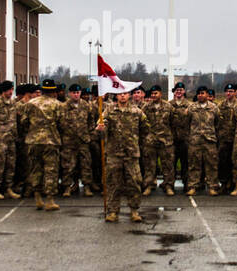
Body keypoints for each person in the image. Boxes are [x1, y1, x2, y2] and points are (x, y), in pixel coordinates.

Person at [95, 87, 148, 222]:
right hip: (114, 153)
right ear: (116, 96)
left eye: (125, 94)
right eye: (120, 94)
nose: (122, 96)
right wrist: (101, 127)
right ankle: (113, 211)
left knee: (135, 183)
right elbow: (102, 125)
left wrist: (137, 143)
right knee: (113, 183)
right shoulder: (109, 110)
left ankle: (134, 210)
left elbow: (145, 128)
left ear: (129, 95)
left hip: (131, 154)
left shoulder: (137, 112)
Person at [22, 80, 63, 210]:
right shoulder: (57, 105)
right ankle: (50, 200)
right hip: (50, 141)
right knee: (50, 170)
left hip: (33, 140)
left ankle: (38, 198)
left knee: (35, 169)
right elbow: (62, 123)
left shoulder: (30, 104)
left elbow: (23, 122)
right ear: (53, 91)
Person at [0, 82, 22, 199]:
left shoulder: (13, 103)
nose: (11, 92)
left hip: (11, 137)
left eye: (12, 89)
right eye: (8, 90)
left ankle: (8, 188)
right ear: (3, 91)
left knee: (10, 164)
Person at [59, 83, 94, 197]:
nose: (76, 95)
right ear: (69, 94)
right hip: (69, 141)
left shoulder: (86, 106)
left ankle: (87, 186)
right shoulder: (64, 107)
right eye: (74, 93)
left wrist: (89, 134)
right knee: (68, 165)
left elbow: (91, 122)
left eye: (78, 93)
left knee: (86, 164)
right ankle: (67, 187)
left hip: (83, 140)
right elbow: (60, 123)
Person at [185, 85, 220, 195]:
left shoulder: (214, 108)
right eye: (199, 93)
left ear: (207, 95)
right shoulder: (192, 108)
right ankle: (193, 186)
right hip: (195, 141)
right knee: (194, 164)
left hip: (209, 141)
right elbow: (187, 123)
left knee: (211, 165)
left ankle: (212, 186)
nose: (200, 95)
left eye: (203, 93)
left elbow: (218, 123)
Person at [142, 85, 176, 195]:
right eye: (152, 94)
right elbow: (142, 123)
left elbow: (173, 123)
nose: (153, 96)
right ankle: (148, 185)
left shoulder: (168, 107)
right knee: (149, 165)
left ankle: (168, 186)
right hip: (150, 141)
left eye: (155, 93)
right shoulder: (146, 107)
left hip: (165, 141)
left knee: (168, 165)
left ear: (160, 94)